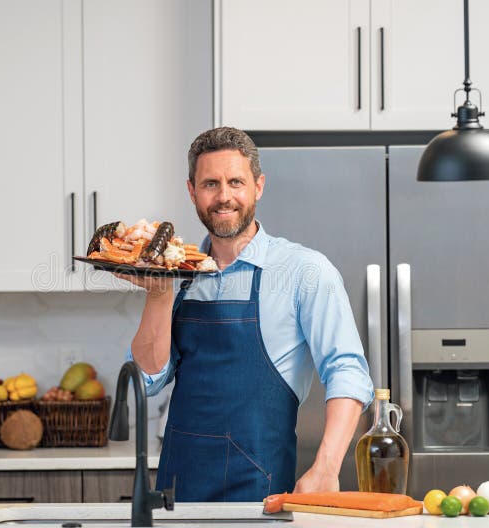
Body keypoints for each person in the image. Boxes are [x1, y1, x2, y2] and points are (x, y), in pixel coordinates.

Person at [119, 127, 373, 502]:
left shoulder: (305, 271)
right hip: (179, 493)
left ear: (258, 186)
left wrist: (326, 467)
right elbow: (147, 378)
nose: (224, 197)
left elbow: (348, 372)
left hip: (262, 494)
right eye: (210, 184)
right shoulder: (178, 272)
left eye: (235, 182)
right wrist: (158, 295)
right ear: (192, 192)